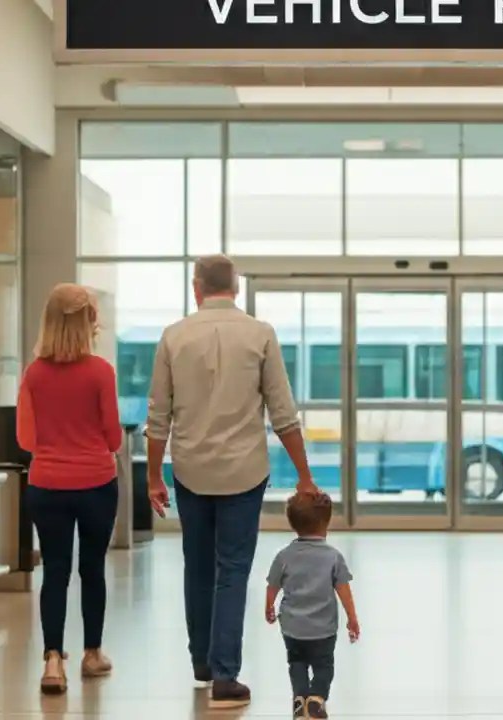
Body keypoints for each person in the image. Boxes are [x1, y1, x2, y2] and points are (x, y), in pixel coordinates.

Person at [145, 254, 316, 708]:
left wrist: (152, 478)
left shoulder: (173, 337)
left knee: (196, 565)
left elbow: (157, 416)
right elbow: (283, 412)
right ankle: (225, 675)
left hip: (190, 469)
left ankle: (202, 663)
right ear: (236, 287)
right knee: (233, 569)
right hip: (244, 471)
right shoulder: (260, 335)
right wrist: (303, 475)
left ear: (196, 287)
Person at [16, 283, 122, 695]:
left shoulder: (34, 374)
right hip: (96, 482)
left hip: (47, 485)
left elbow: (25, 439)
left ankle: (53, 661)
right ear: (88, 323)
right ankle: (92, 654)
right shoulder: (101, 372)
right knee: (92, 569)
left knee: (55, 570)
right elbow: (113, 438)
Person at [265, 493, 360, 720]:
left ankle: (300, 698)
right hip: (323, 628)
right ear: (326, 522)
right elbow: (343, 590)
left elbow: (273, 584)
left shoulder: (284, 556)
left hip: (292, 627)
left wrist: (269, 606)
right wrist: (352, 617)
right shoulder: (333, 557)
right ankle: (317, 698)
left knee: (296, 663)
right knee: (323, 665)